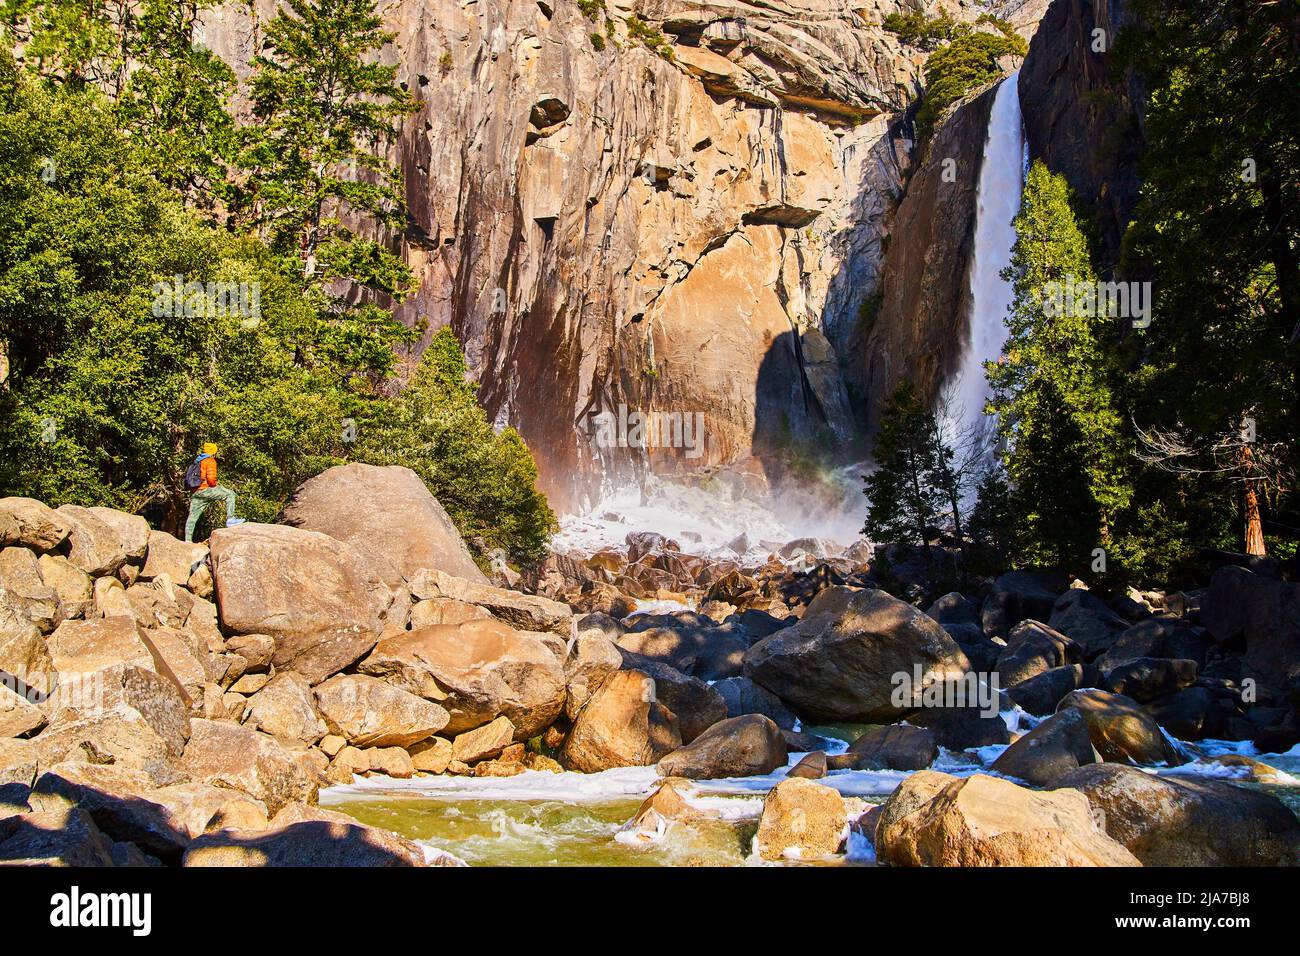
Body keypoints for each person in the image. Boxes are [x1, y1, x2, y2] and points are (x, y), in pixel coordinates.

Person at [184, 442, 245, 542]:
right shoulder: (210, 461)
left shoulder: (197, 460)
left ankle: (188, 540)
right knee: (230, 494)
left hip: (196, 492)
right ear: (213, 451)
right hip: (206, 490)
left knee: (192, 516)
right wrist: (216, 486)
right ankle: (230, 519)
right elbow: (211, 479)